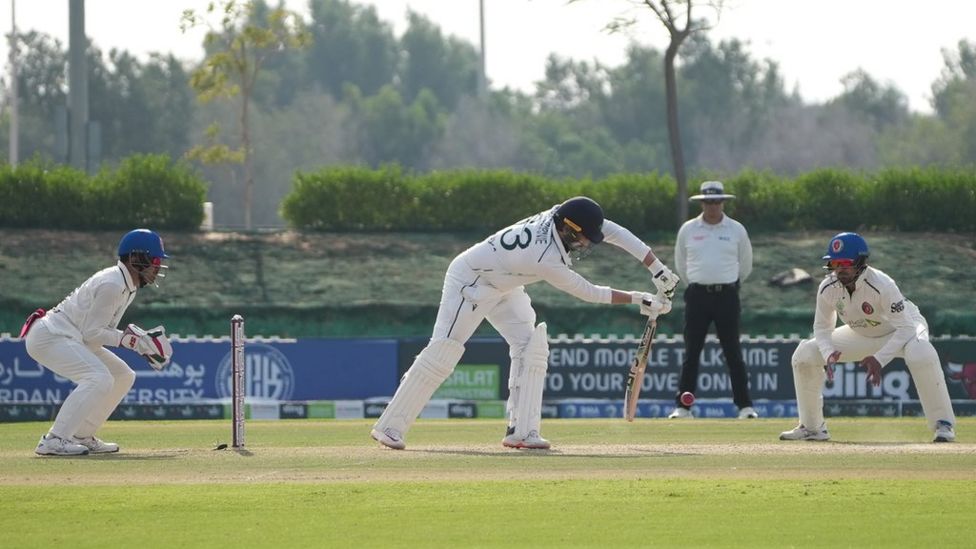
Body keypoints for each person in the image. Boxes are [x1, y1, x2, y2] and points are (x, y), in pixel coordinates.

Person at [370, 196, 679, 450]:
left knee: (530, 345)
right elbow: (588, 292)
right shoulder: (544, 257)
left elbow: (616, 232)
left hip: (504, 282)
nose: (587, 244)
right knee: (444, 352)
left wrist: (657, 269)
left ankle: (522, 431)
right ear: (569, 229)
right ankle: (390, 427)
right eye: (585, 238)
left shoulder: (560, 214)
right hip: (471, 280)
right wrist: (640, 298)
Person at [781, 232, 956, 443]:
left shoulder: (882, 284)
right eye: (835, 263)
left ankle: (943, 424)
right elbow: (821, 328)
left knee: (921, 352)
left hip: (901, 331)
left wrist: (879, 358)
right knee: (806, 353)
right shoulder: (827, 288)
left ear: (861, 261)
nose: (839, 269)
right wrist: (828, 353)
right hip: (861, 333)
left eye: (845, 263)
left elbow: (906, 328)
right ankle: (812, 427)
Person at [22, 229, 173, 456]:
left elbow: (98, 332)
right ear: (135, 259)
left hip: (72, 336)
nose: (157, 267)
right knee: (98, 377)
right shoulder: (112, 283)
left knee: (123, 375)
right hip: (51, 336)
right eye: (154, 260)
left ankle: (80, 434)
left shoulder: (126, 285)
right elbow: (92, 333)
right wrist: (131, 341)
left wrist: (136, 341)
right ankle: (53, 440)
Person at [670, 180, 757, 419]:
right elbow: (681, 263)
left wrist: (730, 283)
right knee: (691, 352)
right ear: (702, 203)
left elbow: (745, 264)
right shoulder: (688, 229)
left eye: (716, 201)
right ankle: (683, 407)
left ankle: (745, 407)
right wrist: (696, 284)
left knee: (733, 352)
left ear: (723, 202)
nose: (712, 206)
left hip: (727, 295)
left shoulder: (736, 229)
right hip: (697, 295)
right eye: (708, 201)